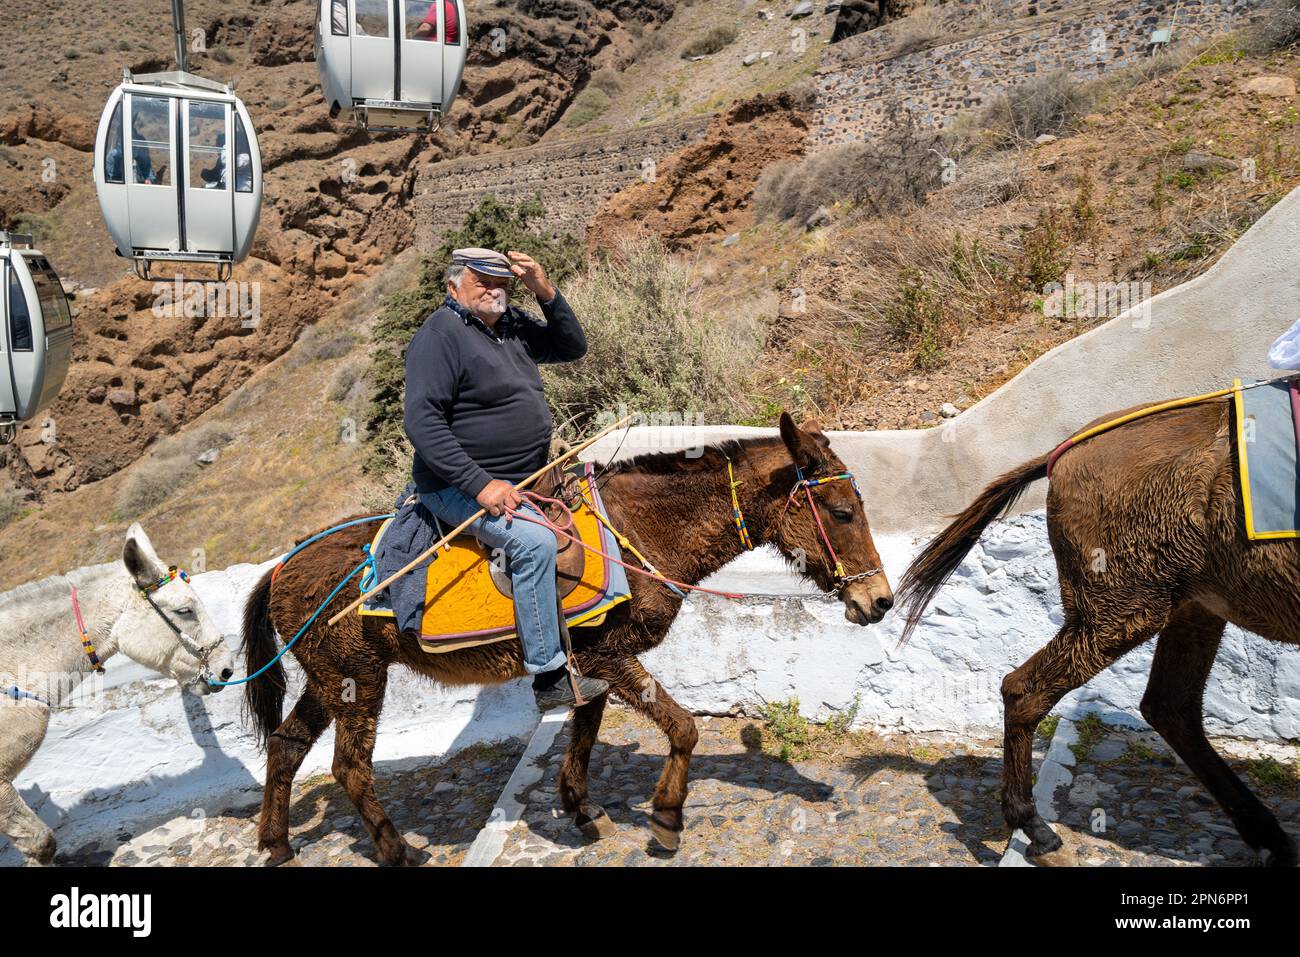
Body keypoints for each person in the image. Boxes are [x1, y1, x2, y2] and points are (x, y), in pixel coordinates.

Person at [404, 247, 608, 711]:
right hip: (455, 486)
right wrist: (481, 485)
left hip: (528, 476)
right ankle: (549, 677)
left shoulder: (510, 322)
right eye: (482, 281)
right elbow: (422, 424)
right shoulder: (439, 337)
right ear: (453, 285)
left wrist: (544, 289)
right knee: (534, 542)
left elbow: (572, 347)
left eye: (503, 283)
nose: (495, 290)